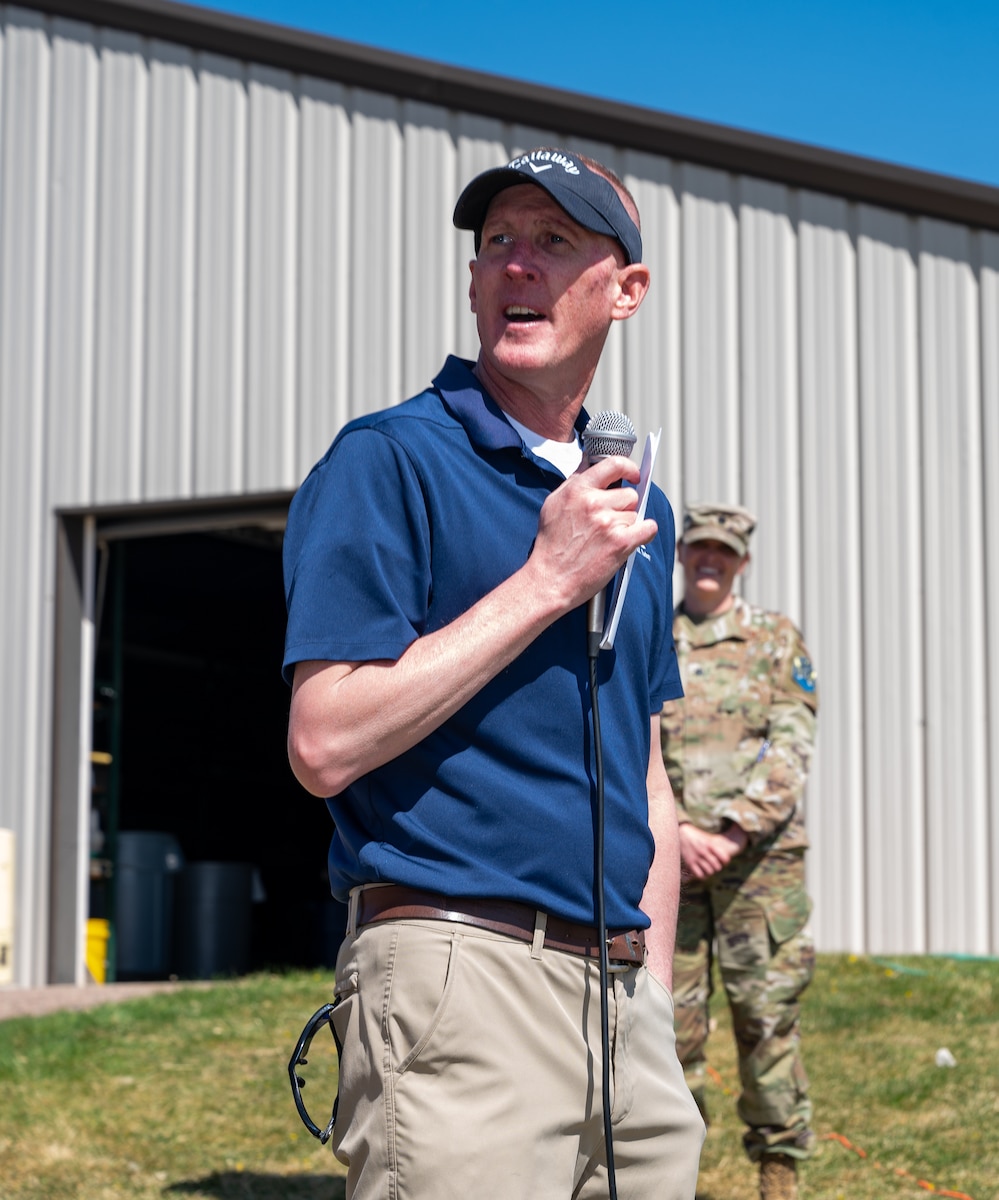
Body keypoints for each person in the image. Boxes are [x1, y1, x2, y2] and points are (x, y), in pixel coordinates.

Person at [282, 148, 705, 1200]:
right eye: (497, 244)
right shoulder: (389, 461)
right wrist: (544, 581)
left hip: (622, 1009)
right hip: (460, 976)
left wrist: (647, 989)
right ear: (472, 282)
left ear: (626, 291)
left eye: (555, 242)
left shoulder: (636, 510)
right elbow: (323, 742)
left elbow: (645, 772)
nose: (517, 265)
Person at [659, 503, 818, 1200]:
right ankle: (671, 1171)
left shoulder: (774, 640)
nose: (709, 560)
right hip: (668, 860)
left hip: (758, 865)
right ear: (682, 553)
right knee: (666, 1024)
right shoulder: (650, 636)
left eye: (722, 551)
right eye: (698, 548)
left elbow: (791, 744)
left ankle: (776, 1169)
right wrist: (681, 834)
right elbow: (622, 740)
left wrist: (729, 831)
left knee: (764, 1017)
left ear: (741, 562)